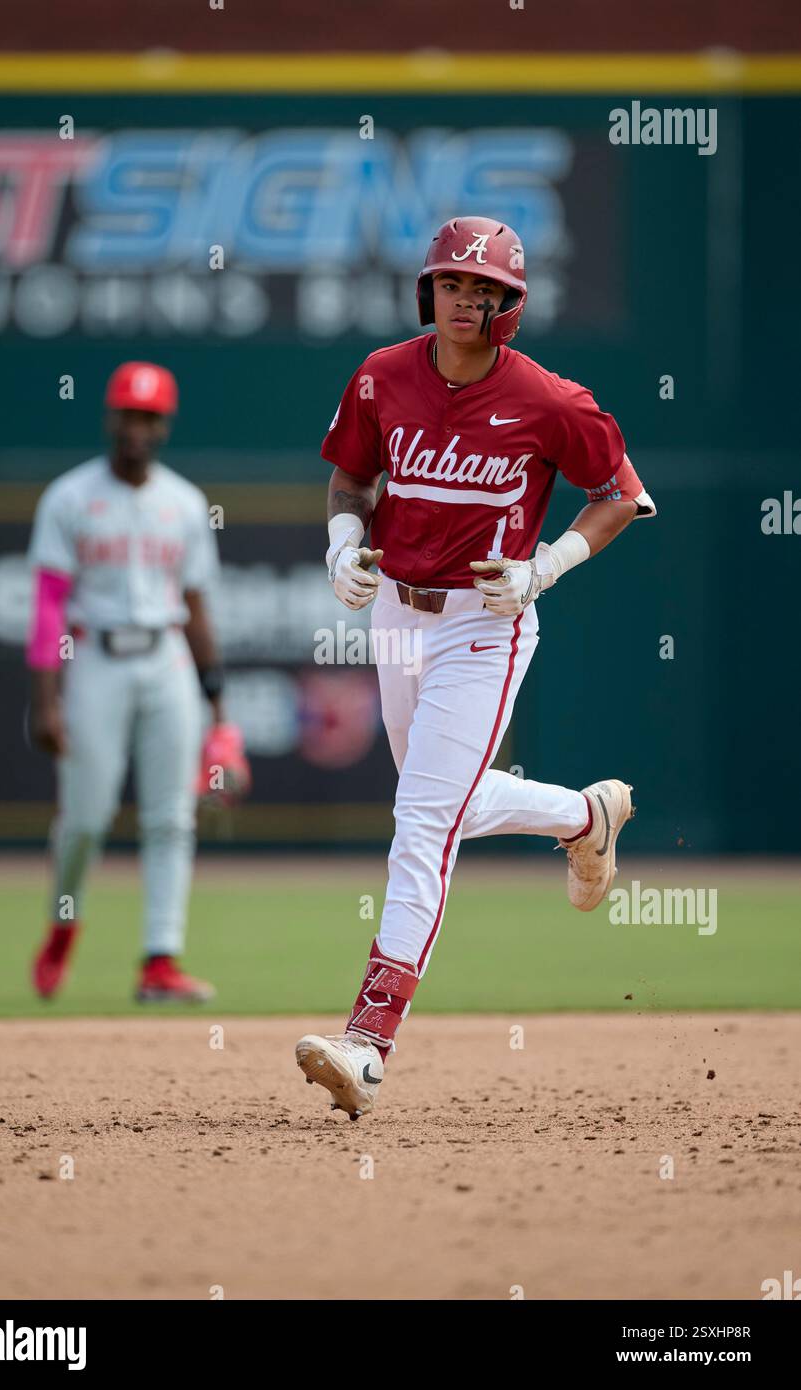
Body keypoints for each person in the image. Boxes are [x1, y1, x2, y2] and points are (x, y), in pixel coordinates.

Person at [296, 216, 656, 1118]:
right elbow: (351, 477)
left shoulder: (548, 400)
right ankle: (585, 815)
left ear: (510, 307)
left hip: (484, 625)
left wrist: (545, 569)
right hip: (398, 613)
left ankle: (367, 1045)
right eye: (455, 284)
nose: (468, 300)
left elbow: (621, 495)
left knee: (421, 817)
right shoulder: (383, 375)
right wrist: (345, 544)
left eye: (486, 290)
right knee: (442, 797)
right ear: (430, 291)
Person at [26, 360, 247, 1003]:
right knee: (86, 820)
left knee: (172, 818)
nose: (137, 427)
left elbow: (199, 607)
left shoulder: (183, 502)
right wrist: (44, 701)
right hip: (95, 657)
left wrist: (220, 712)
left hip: (167, 658)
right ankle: (64, 924)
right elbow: (47, 606)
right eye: (128, 413)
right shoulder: (70, 497)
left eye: (149, 417)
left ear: (164, 425)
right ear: (110, 417)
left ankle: (159, 962)